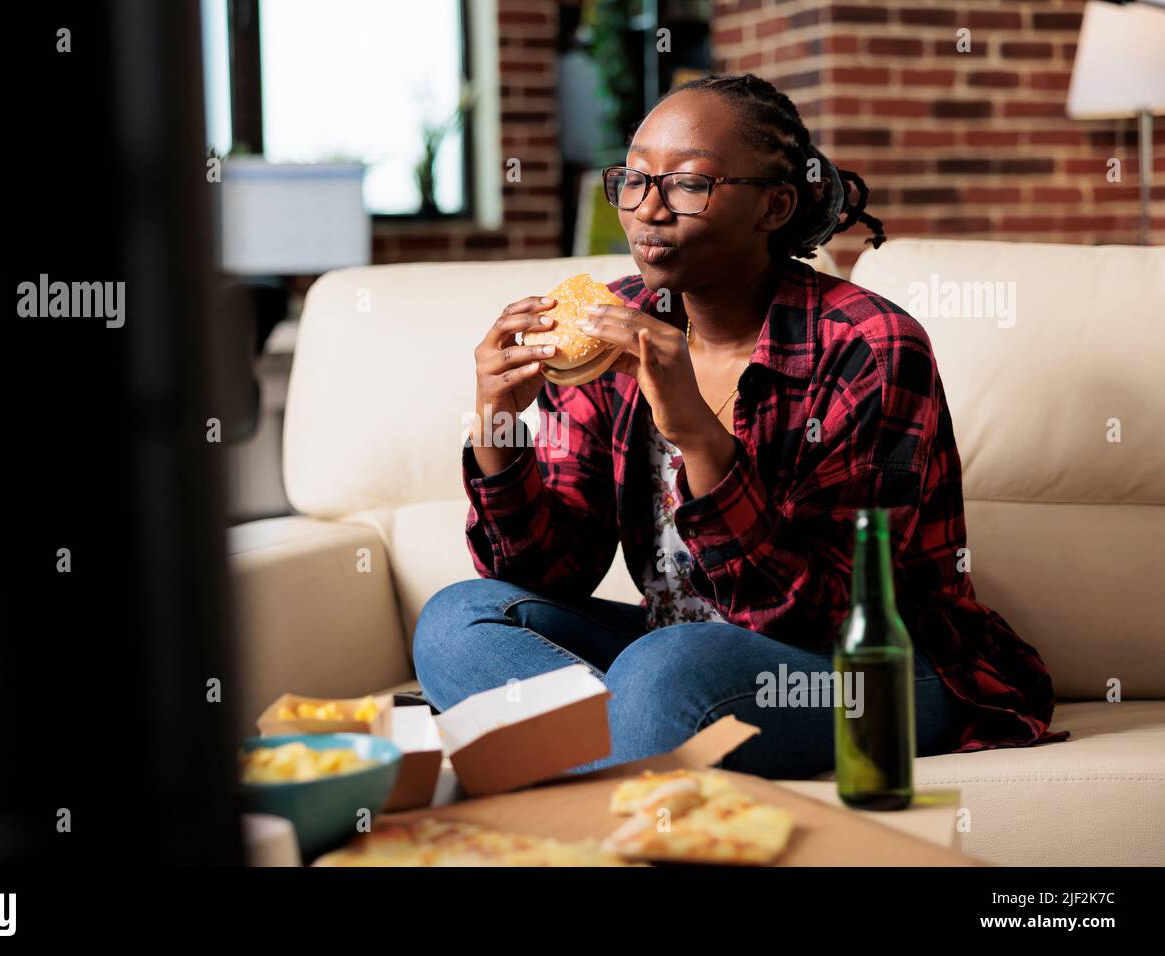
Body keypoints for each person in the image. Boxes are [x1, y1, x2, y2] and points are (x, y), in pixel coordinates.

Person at [413, 73, 1067, 779]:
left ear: (774, 205)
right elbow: (552, 574)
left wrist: (695, 432)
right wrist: (496, 433)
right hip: (685, 653)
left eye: (688, 184)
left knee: (667, 671)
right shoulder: (611, 333)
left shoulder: (869, 345)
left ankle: (586, 770)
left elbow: (815, 611)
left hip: (875, 662)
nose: (648, 210)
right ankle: (636, 764)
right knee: (459, 621)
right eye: (632, 180)